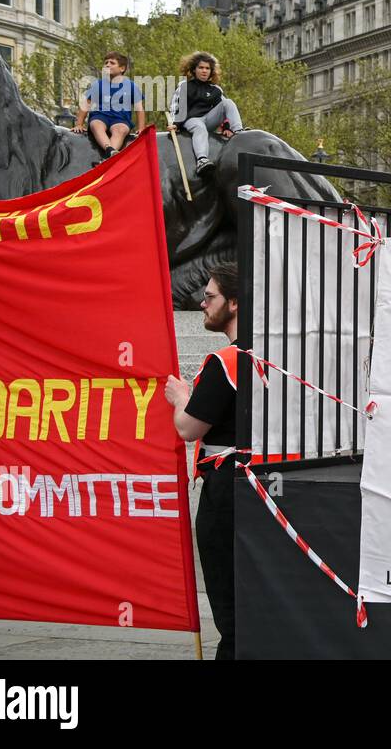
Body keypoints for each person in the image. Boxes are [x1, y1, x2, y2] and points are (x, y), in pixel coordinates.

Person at [163, 262, 241, 660]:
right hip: (260, 483)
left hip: (226, 489)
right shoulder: (272, 353)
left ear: (233, 303)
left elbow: (189, 429)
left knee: (228, 604)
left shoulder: (226, 361)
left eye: (210, 297)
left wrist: (181, 398)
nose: (202, 304)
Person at [168, 51, 246, 178]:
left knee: (228, 102)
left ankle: (239, 132)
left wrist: (226, 127)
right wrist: (173, 123)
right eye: (201, 68)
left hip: (208, 119)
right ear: (194, 70)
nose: (204, 71)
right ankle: (202, 160)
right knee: (199, 127)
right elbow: (176, 105)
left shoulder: (215, 89)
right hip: (191, 119)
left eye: (207, 68)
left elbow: (223, 109)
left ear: (211, 71)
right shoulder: (185, 86)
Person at [74, 51, 144, 157]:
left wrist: (141, 127)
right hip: (100, 115)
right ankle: (109, 149)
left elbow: (139, 108)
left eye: (112, 63)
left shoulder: (131, 86)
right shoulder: (98, 84)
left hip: (121, 119)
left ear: (122, 68)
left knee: (121, 130)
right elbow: (86, 104)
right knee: (96, 124)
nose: (107, 65)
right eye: (106, 62)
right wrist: (79, 124)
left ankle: (109, 158)